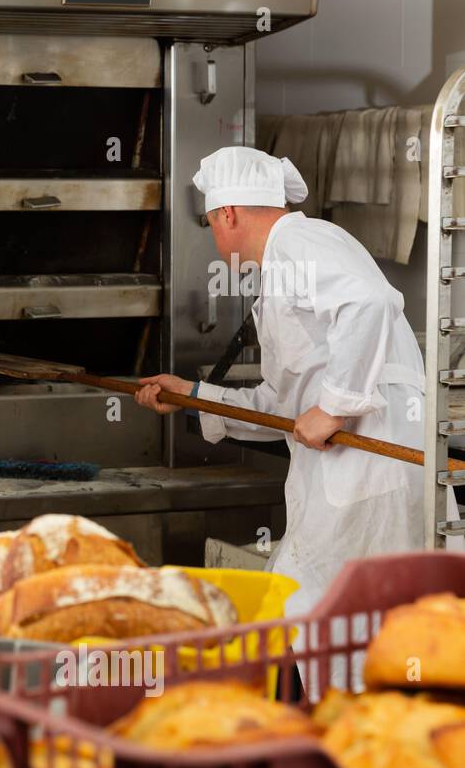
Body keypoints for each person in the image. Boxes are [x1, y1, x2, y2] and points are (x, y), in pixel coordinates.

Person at [134, 146, 453, 615]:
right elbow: (288, 406)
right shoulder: (284, 267)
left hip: (371, 471)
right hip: (353, 474)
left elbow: (371, 302)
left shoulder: (300, 241)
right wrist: (196, 397)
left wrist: (333, 410)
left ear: (227, 214)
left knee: (323, 617)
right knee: (331, 621)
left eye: (210, 226)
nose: (214, 239)